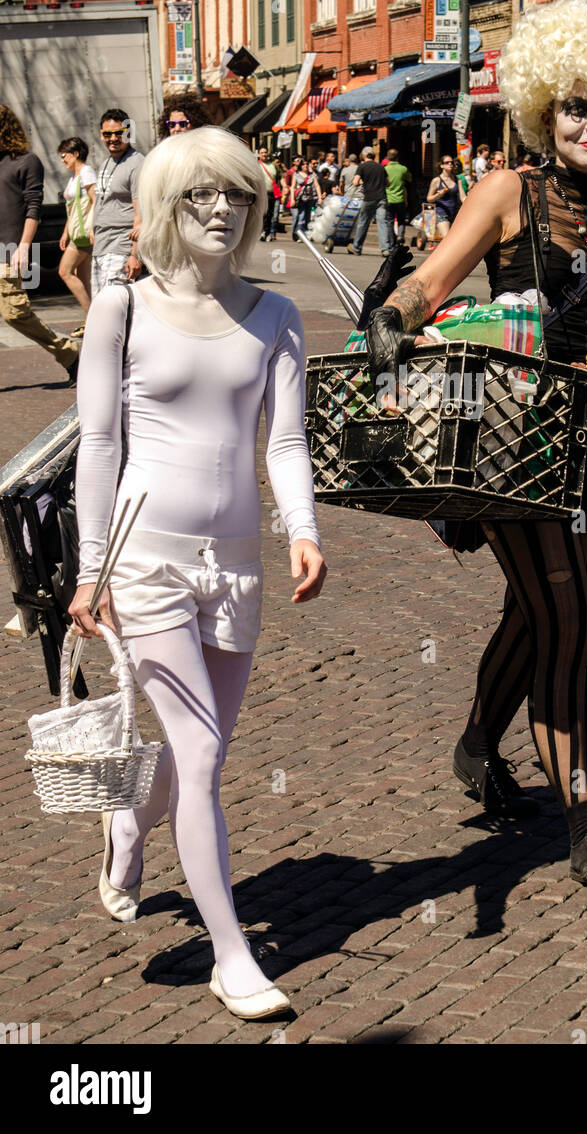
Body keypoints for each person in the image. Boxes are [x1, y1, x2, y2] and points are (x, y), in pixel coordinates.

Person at [365, 0, 587, 889]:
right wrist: (390, 322)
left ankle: (474, 745)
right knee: (566, 616)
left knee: (535, 614)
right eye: (576, 106)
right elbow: (427, 281)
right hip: (511, 438)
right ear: (545, 108)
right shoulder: (508, 191)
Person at [69, 126, 326, 1019]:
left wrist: (305, 528)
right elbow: (98, 442)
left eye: (239, 196)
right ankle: (232, 955)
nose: (222, 211)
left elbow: (285, 440)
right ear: (164, 208)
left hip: (240, 563)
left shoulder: (276, 315)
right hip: (145, 559)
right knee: (203, 750)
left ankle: (128, 825)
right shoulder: (122, 309)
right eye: (199, 196)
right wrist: (89, 566)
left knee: (197, 747)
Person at [0, 105, 80, 384]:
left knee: (14, 313)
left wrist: (23, 246)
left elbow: (34, 207)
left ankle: (70, 354)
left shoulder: (25, 161)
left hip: (8, 249)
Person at [92, 109, 144, 296]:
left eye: (118, 133)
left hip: (121, 246)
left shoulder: (137, 164)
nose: (113, 138)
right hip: (101, 246)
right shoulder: (106, 162)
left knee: (114, 306)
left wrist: (134, 254)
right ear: (101, 135)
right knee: (100, 304)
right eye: (107, 134)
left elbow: (141, 214)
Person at [57, 136, 96, 333]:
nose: (62, 160)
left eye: (64, 155)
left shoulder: (86, 173)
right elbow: (72, 210)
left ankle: (91, 317)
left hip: (84, 234)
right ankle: (92, 318)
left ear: (76, 154)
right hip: (76, 234)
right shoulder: (74, 176)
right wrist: (65, 233)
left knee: (64, 271)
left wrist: (94, 228)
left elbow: (95, 200)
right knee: (81, 275)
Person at [347, 147, 387, 256]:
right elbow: (388, 183)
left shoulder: (362, 166)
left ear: (365, 156)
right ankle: (385, 249)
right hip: (382, 198)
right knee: (382, 223)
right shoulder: (381, 167)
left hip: (369, 198)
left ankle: (357, 247)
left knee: (363, 222)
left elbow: (355, 182)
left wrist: (363, 182)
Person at [424, 154, 466, 239]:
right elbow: (429, 199)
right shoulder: (436, 180)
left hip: (455, 214)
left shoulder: (457, 179)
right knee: (447, 238)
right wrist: (438, 195)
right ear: (442, 165)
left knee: (457, 239)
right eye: (447, 162)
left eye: (452, 162)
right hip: (441, 213)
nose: (450, 164)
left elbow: (463, 197)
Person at [382, 147, 412, 255]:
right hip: (400, 199)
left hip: (389, 199)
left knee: (389, 222)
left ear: (388, 157)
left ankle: (391, 243)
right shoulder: (403, 168)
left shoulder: (385, 169)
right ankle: (400, 236)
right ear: (398, 157)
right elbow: (410, 179)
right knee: (401, 220)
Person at [289, 157, 323, 240]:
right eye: (303, 164)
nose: (306, 166)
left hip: (310, 198)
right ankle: (300, 235)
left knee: (308, 217)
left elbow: (317, 186)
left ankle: (305, 233)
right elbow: (293, 187)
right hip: (300, 199)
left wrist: (319, 197)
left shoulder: (312, 175)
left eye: (307, 164)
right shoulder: (296, 174)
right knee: (301, 216)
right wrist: (292, 199)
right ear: (300, 166)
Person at [257, 145, 283, 243]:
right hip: (260, 193)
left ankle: (267, 232)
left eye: (265, 152)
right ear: (259, 154)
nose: (264, 154)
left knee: (270, 214)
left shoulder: (273, 165)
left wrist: (285, 187)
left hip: (272, 194)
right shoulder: (256, 165)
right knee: (262, 213)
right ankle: (262, 231)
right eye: (262, 152)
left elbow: (281, 177)